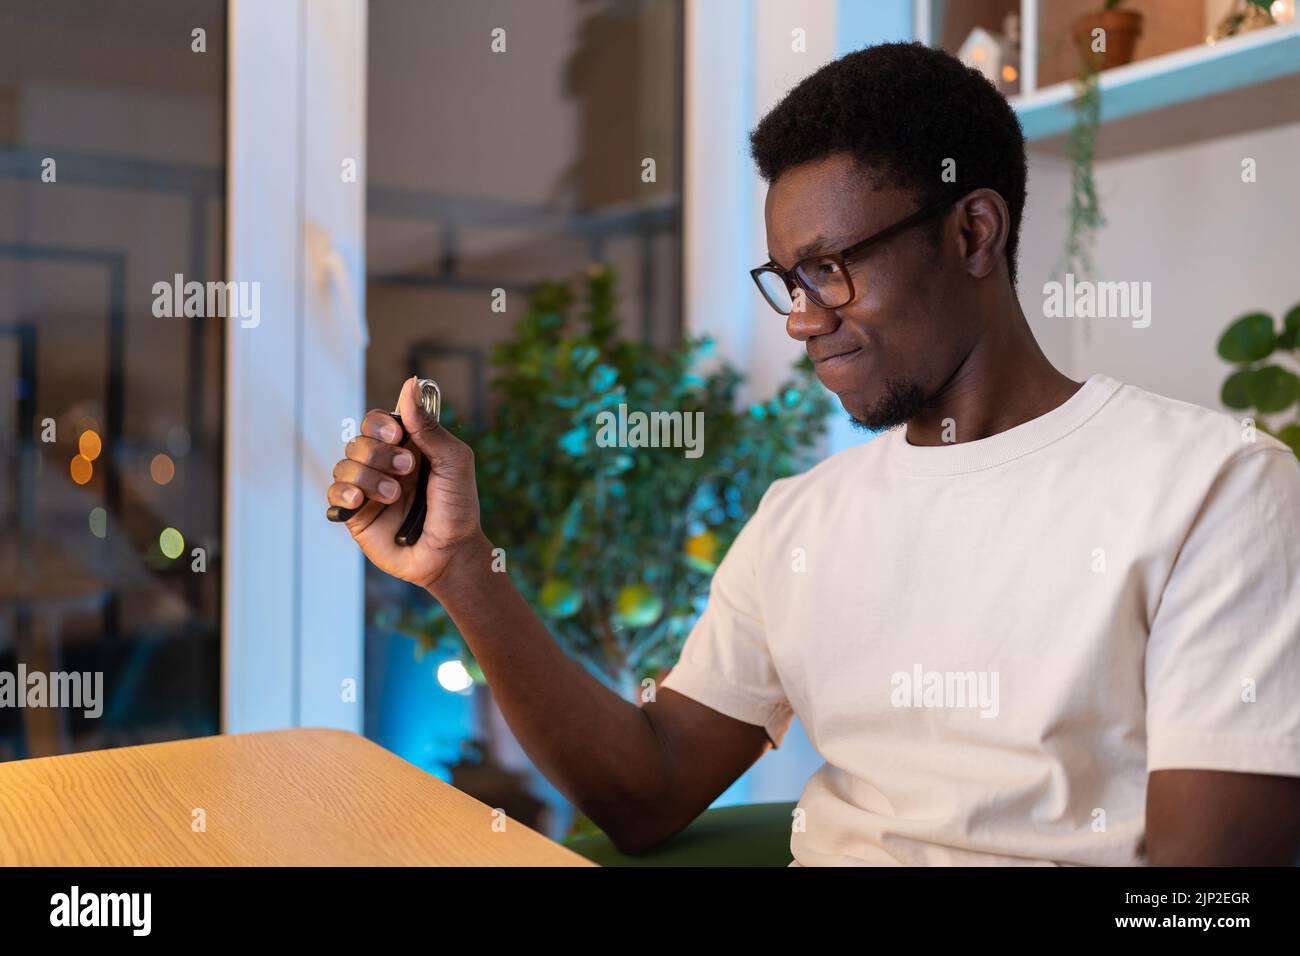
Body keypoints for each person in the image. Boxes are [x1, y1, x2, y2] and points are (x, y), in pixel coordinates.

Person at [327, 43, 1300, 865]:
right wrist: (462, 569)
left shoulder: (1214, 487)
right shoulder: (804, 516)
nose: (800, 319)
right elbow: (649, 787)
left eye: (828, 270)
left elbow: (1205, 901)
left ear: (972, 230)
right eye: (787, 279)